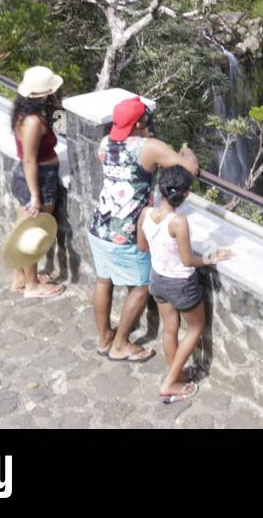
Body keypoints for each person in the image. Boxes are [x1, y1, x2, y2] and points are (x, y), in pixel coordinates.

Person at [89, 96, 198, 363]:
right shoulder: (147, 147)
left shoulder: (105, 143)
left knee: (104, 281)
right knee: (141, 286)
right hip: (126, 231)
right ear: (140, 122)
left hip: (99, 226)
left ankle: (104, 338)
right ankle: (121, 344)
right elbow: (189, 169)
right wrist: (186, 149)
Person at [138, 165, 232, 403]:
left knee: (170, 329)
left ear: (160, 187)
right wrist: (213, 257)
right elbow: (188, 259)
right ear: (186, 195)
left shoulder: (145, 213)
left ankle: (177, 374)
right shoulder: (178, 222)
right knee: (195, 328)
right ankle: (170, 383)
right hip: (180, 284)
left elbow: (142, 247)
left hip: (157, 279)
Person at [9, 66, 66, 299]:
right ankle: (32, 286)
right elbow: (30, 159)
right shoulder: (32, 121)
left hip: (32, 176)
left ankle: (19, 277)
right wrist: (35, 195)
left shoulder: (24, 113)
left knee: (22, 230)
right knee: (32, 233)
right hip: (38, 179)